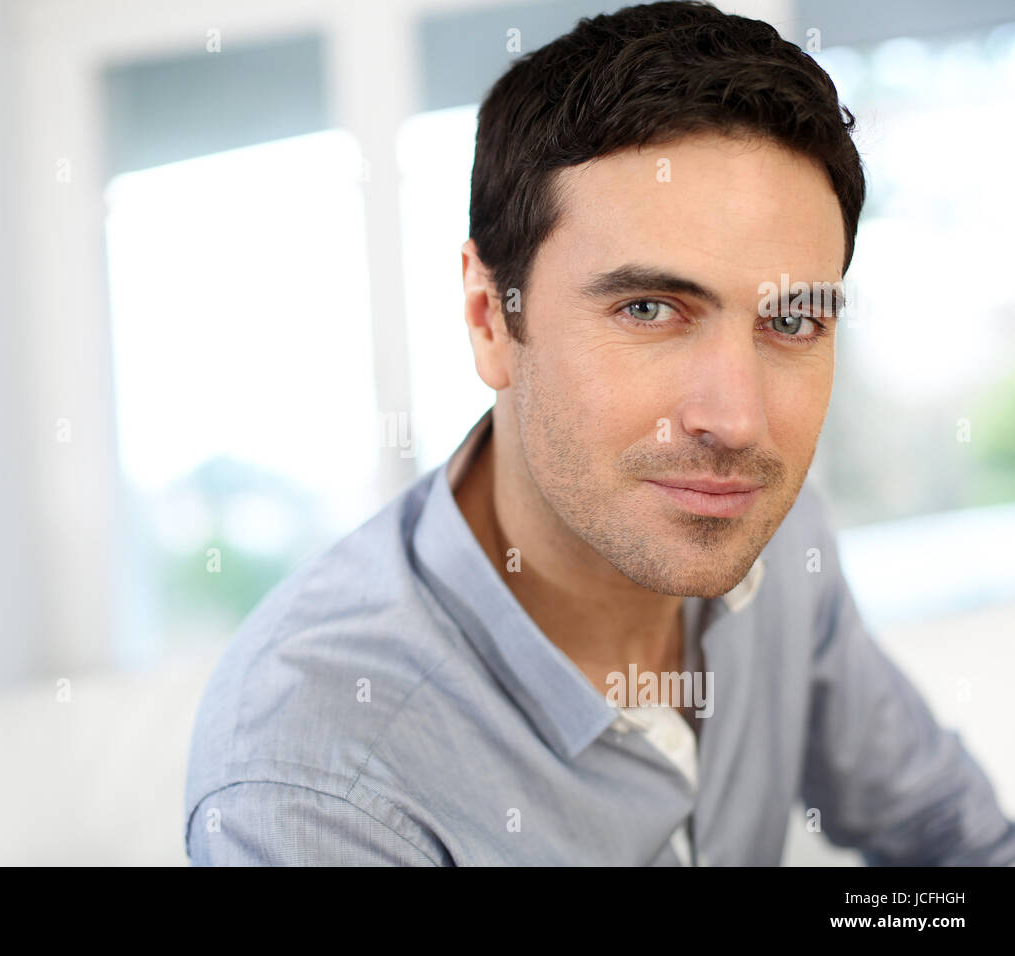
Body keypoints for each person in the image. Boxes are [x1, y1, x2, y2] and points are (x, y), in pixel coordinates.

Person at [183, 0, 1015, 865]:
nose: (736, 422)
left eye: (794, 320)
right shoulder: (308, 789)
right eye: (649, 309)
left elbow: (949, 842)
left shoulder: (775, 529)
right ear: (490, 319)